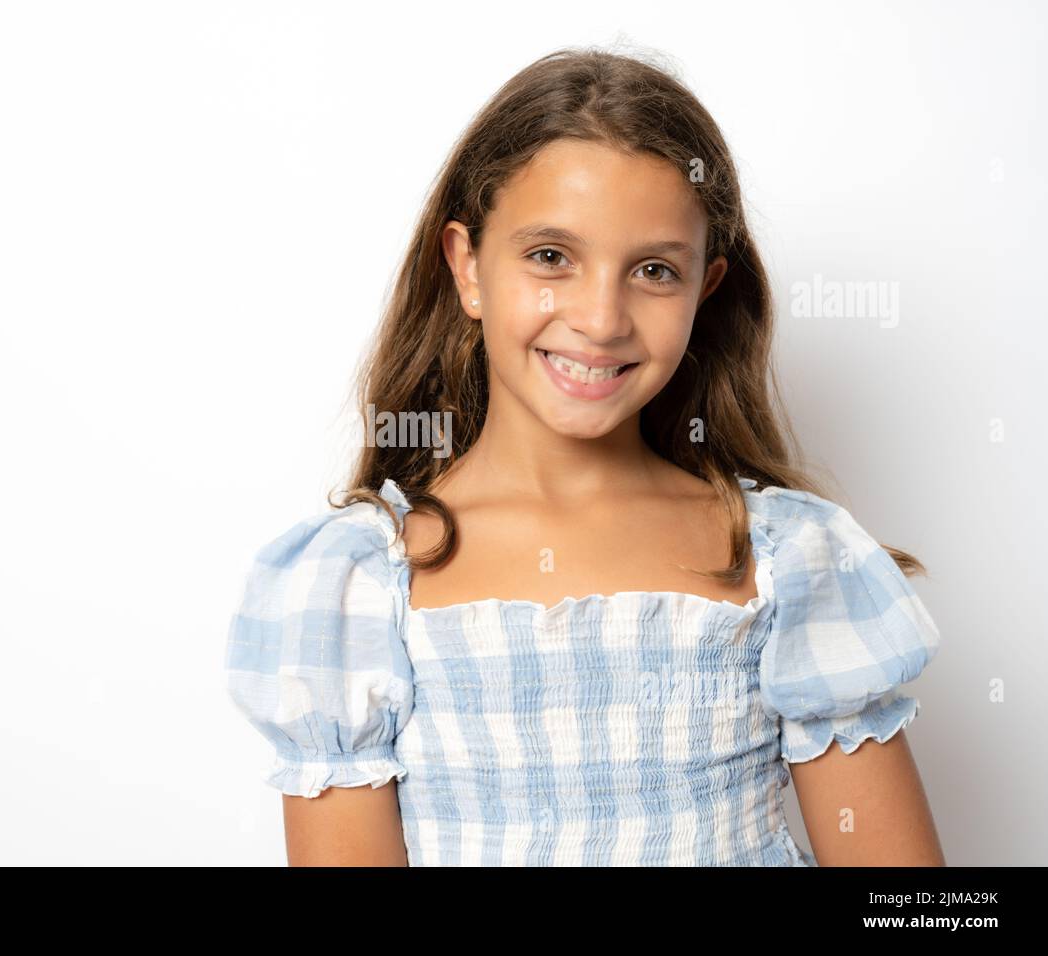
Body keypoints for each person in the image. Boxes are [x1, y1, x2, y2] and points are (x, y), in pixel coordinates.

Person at [224, 47, 944, 867]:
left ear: (704, 290)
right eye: (550, 257)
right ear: (466, 266)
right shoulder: (360, 582)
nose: (602, 318)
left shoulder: (789, 560)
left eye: (652, 271)